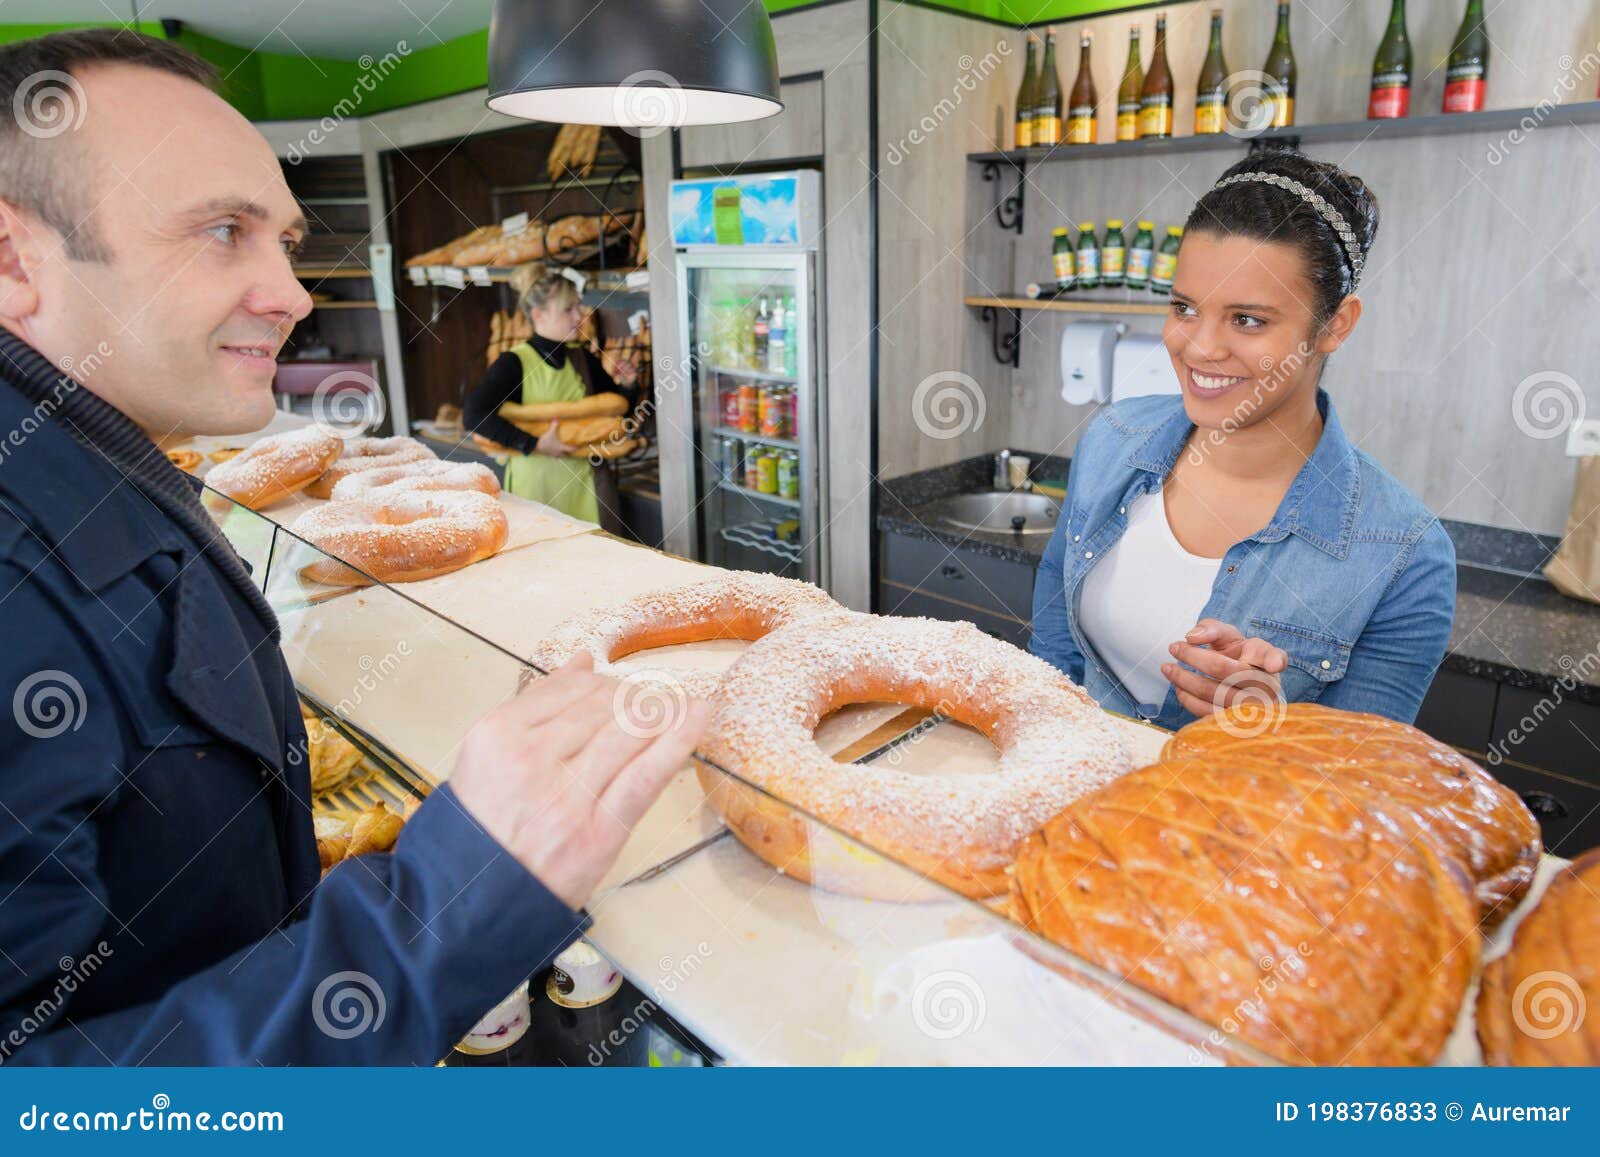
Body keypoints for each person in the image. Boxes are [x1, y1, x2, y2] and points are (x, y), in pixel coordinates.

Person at [0, 30, 708, 1065]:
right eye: (222, 231)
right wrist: (449, 902)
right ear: (14, 260)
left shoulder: (102, 472)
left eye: (283, 240)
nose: (292, 294)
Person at [1030, 150, 1455, 728]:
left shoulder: (1405, 555)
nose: (1200, 347)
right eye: (1184, 308)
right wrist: (1046, 731)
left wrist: (1268, 729)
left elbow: (1358, 769)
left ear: (1335, 325)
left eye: (1248, 320)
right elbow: (1055, 622)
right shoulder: (1112, 437)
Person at [463, 273, 639, 529]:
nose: (579, 317)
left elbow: (618, 414)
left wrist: (629, 385)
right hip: (536, 492)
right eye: (568, 309)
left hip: (585, 490)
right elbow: (473, 415)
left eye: (578, 307)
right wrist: (534, 443)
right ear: (538, 315)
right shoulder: (513, 363)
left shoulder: (583, 359)